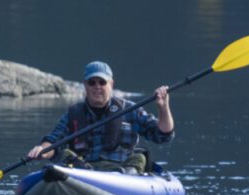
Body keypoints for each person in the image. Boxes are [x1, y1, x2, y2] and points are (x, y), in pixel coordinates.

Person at [26, 61, 174, 171]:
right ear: (85, 85)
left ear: (111, 84)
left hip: (122, 172)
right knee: (64, 154)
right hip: (84, 171)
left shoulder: (130, 110)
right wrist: (42, 150)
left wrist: (163, 107)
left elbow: (163, 135)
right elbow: (54, 141)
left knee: (140, 158)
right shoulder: (73, 115)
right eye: (92, 82)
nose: (97, 87)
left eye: (102, 82)